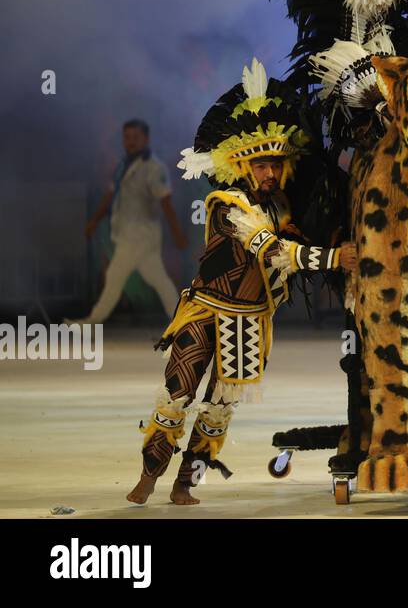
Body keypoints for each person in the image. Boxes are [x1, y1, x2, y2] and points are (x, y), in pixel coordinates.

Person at [127, 59, 357, 506]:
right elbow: (269, 250)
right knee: (176, 396)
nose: (268, 173)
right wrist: (333, 257)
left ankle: (183, 485)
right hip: (205, 310)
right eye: (260, 165)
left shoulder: (284, 211)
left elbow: (285, 248)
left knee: (217, 411)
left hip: (250, 323)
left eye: (275, 164)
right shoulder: (225, 203)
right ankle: (147, 479)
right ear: (241, 165)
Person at [77, 119, 187, 323]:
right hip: (127, 234)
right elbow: (110, 197)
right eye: (127, 137)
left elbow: (166, 203)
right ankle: (181, 322)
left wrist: (177, 233)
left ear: (146, 139)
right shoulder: (123, 165)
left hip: (141, 236)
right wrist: (94, 221)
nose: (131, 142)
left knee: (114, 278)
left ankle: (92, 321)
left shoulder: (154, 168)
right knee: (159, 280)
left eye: (136, 137)